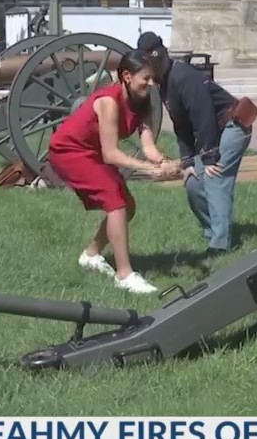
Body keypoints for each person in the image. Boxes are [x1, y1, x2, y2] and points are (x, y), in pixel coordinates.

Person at [46, 50, 180, 294]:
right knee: (116, 203)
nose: (152, 84)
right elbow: (111, 154)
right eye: (146, 78)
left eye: (153, 79)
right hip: (69, 151)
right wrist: (149, 169)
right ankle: (124, 275)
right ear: (127, 76)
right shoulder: (109, 102)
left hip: (93, 150)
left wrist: (165, 163)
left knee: (127, 205)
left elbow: (149, 147)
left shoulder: (145, 103)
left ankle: (91, 255)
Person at [132, 32, 256, 257]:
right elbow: (182, 126)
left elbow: (204, 115)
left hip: (232, 127)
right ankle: (213, 231)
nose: (153, 67)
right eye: (149, 63)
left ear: (163, 56)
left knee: (214, 176)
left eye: (155, 61)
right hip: (214, 131)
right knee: (193, 183)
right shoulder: (164, 84)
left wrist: (209, 156)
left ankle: (220, 246)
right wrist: (188, 161)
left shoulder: (183, 76)